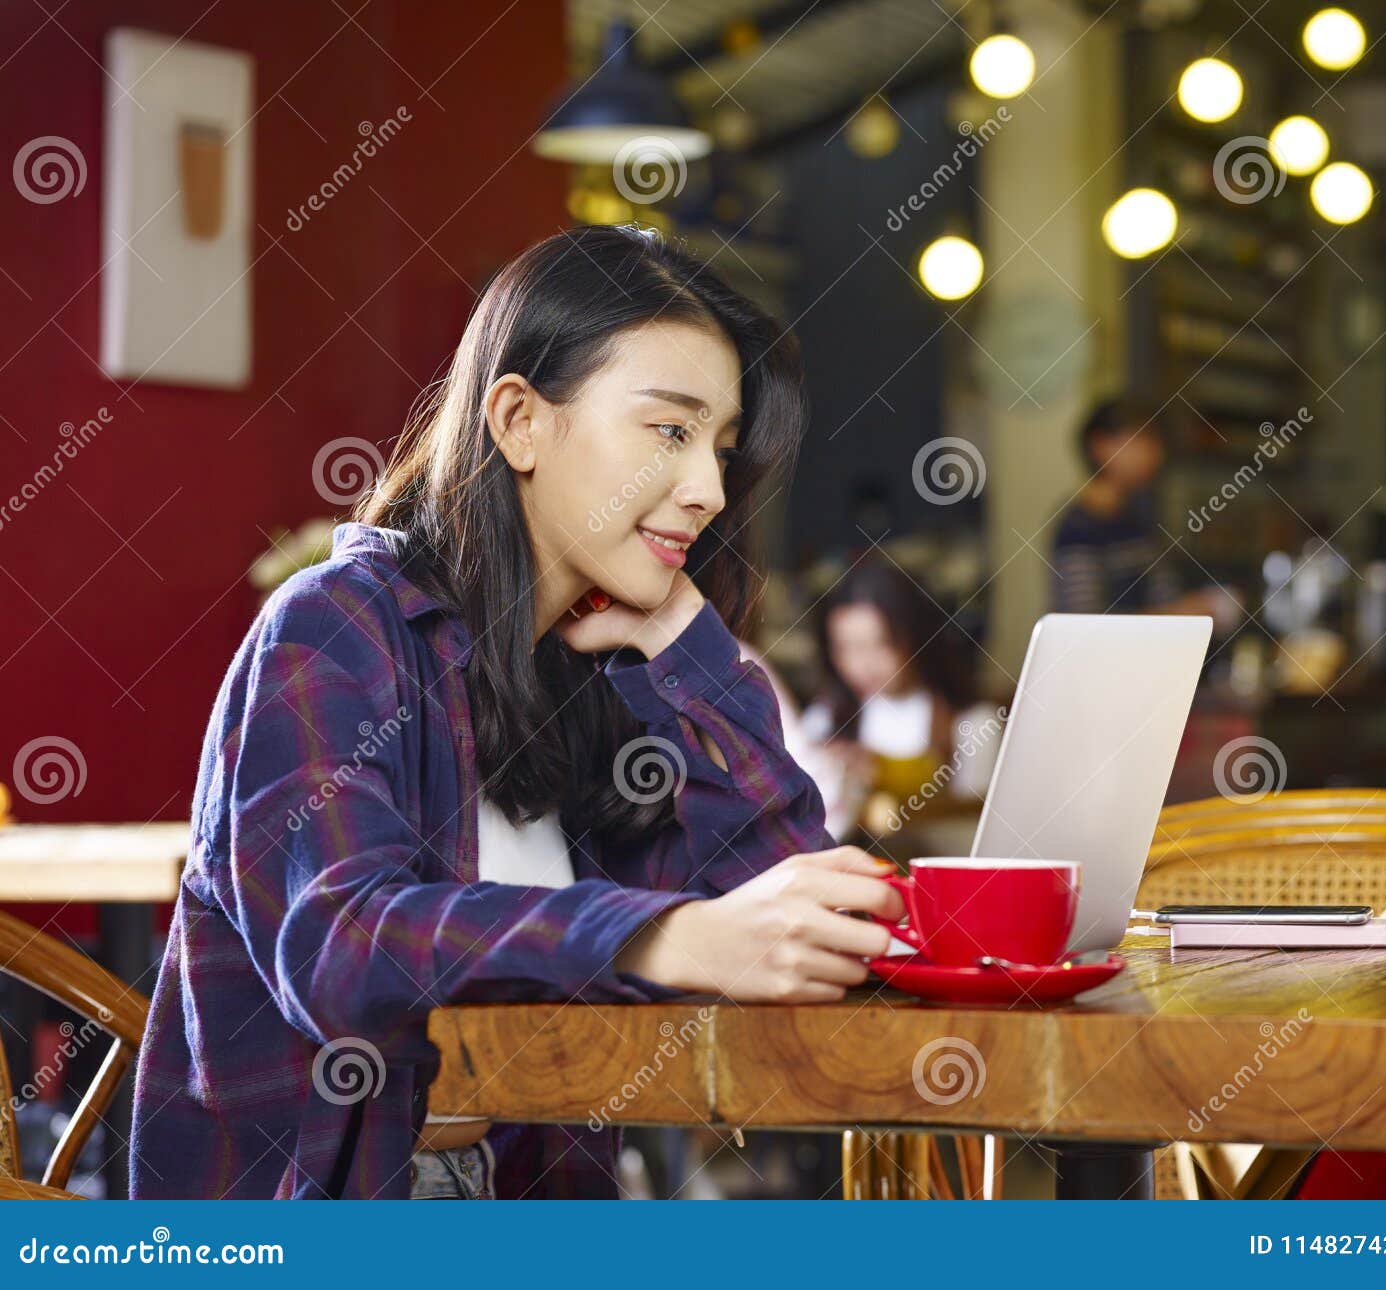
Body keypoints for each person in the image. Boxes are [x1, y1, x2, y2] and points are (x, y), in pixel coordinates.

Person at [129, 225, 902, 1201]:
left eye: (721, 448)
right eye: (669, 429)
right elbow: (338, 948)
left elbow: (787, 909)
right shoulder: (335, 629)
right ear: (519, 420)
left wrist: (692, 651)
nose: (707, 489)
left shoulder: (589, 668)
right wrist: (664, 936)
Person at [801, 562, 1002, 835]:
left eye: (879, 645)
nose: (861, 665)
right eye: (845, 648)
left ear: (915, 636)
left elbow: (972, 830)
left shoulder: (970, 723)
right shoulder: (825, 718)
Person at [1052, 397, 1225, 618]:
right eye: (1141, 438)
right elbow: (1083, 623)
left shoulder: (1137, 520)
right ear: (1100, 445)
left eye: (1155, 440)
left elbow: (1164, 591)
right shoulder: (1077, 528)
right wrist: (1176, 613)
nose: (1155, 452)